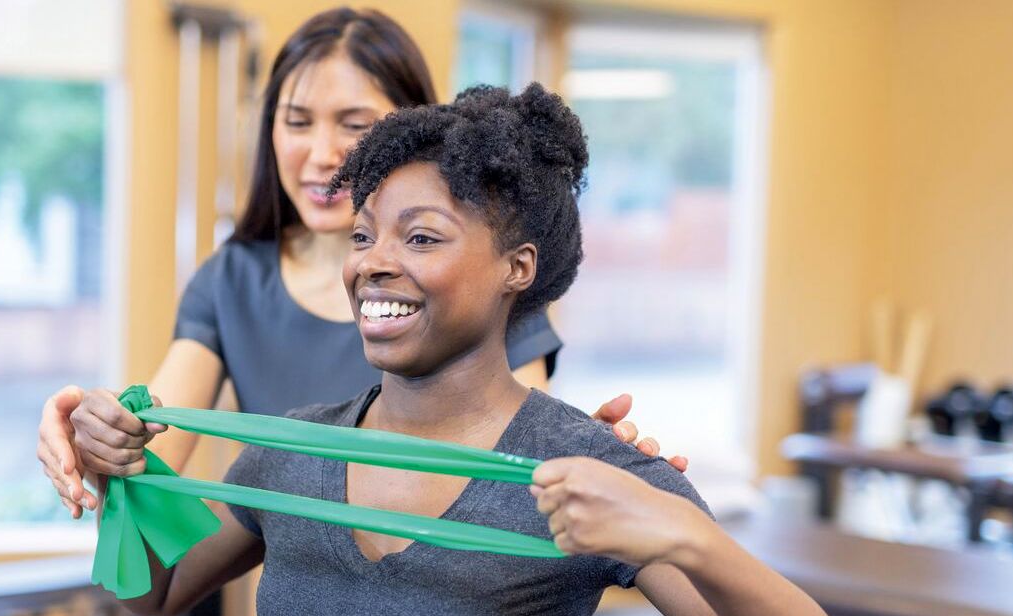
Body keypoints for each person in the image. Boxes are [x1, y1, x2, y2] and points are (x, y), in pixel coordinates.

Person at [102, 84, 852, 616]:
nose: (372, 264)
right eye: (363, 236)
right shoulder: (294, 449)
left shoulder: (586, 470)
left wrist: (686, 535)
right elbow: (155, 592)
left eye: (421, 236)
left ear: (516, 268)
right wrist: (116, 476)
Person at [37, 7, 683, 521]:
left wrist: (583, 456)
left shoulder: (472, 283)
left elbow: (518, 468)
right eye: (296, 122)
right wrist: (98, 437)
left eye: (354, 124)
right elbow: (151, 456)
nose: (322, 154)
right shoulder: (231, 281)